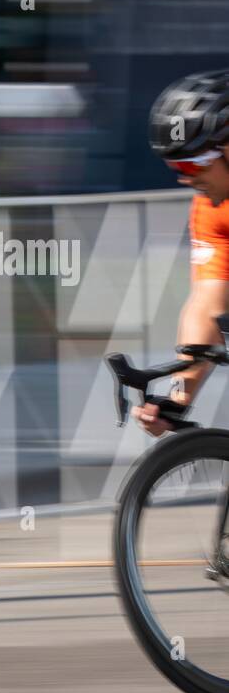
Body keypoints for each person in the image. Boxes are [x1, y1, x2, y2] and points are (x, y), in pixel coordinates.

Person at [144, 70, 229, 434]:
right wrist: (177, 398)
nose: (186, 178)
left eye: (193, 164)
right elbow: (207, 302)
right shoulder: (212, 208)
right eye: (176, 166)